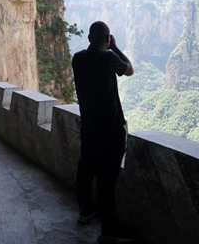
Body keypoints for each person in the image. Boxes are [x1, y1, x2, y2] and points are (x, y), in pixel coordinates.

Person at [72, 21, 135, 244]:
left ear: (89, 38)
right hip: (110, 129)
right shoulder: (108, 58)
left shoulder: (78, 59)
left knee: (86, 170)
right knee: (107, 180)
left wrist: (106, 46)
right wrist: (115, 48)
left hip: (89, 127)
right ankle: (109, 231)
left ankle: (85, 210)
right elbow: (129, 70)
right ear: (107, 39)